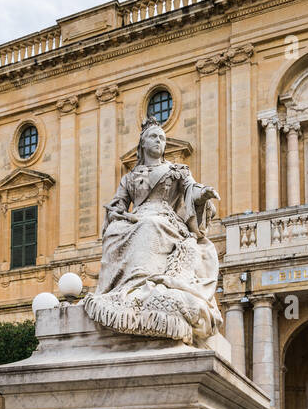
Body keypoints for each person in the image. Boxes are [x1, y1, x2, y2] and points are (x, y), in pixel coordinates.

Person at [82, 119, 223, 346]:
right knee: (115, 230)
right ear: (143, 143)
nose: (159, 141)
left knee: (150, 225)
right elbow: (118, 203)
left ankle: (140, 285)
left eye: (162, 139)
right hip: (135, 217)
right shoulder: (128, 178)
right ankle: (126, 288)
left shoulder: (176, 171)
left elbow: (191, 190)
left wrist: (203, 194)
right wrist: (116, 213)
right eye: (154, 137)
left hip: (165, 219)